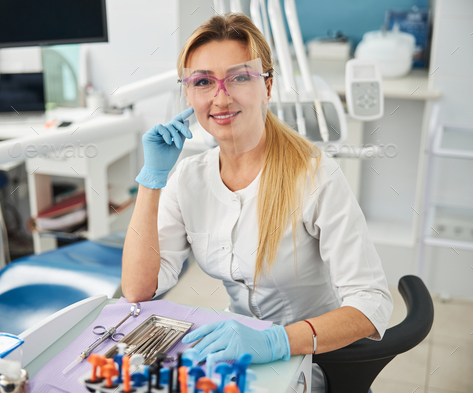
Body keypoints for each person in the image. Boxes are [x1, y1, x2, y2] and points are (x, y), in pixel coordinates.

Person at [121, 13, 393, 391]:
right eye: (203, 82)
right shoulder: (188, 178)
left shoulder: (313, 174)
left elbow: (372, 303)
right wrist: (151, 181)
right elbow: (137, 290)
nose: (220, 96)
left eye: (239, 77)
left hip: (312, 356)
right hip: (238, 357)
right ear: (188, 95)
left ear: (267, 87)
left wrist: (275, 341)